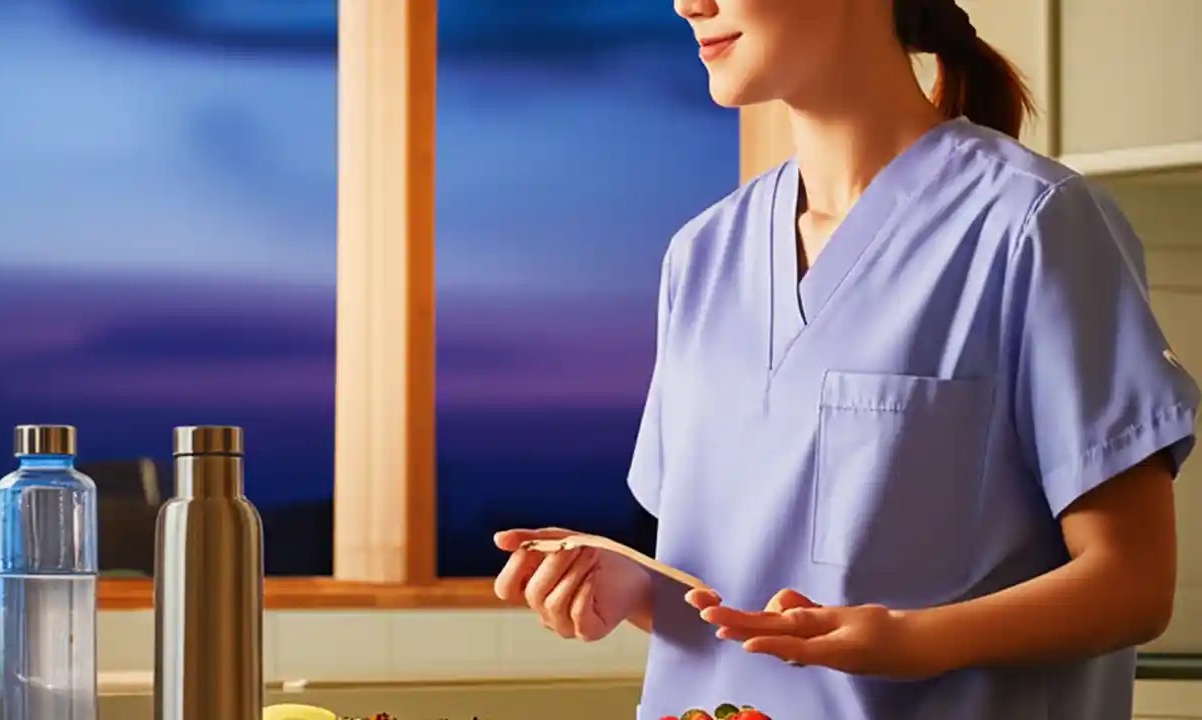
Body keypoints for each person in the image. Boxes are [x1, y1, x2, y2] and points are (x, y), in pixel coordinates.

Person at [493, 0, 1201, 717]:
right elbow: (734, 602)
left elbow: (1132, 586)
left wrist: (916, 642)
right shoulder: (702, 255)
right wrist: (628, 586)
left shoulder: (1033, 224)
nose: (687, 3)